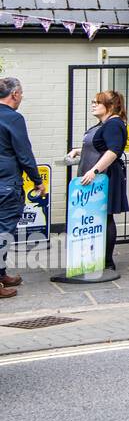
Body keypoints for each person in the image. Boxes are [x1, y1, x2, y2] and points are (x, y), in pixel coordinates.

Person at [69, 90, 129, 274]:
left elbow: (113, 151)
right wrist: (78, 151)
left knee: (105, 216)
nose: (93, 104)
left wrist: (94, 170)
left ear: (110, 106)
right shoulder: (105, 124)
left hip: (106, 176)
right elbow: (100, 146)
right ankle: (93, 257)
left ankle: (107, 261)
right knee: (96, 216)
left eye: (98, 102)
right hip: (96, 176)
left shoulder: (114, 124)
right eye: (93, 101)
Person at [0, 77, 44, 300]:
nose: (22, 97)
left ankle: (1, 274)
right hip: (6, 184)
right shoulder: (14, 118)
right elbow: (24, 154)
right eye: (22, 93)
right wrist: (37, 180)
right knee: (3, 231)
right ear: (14, 94)